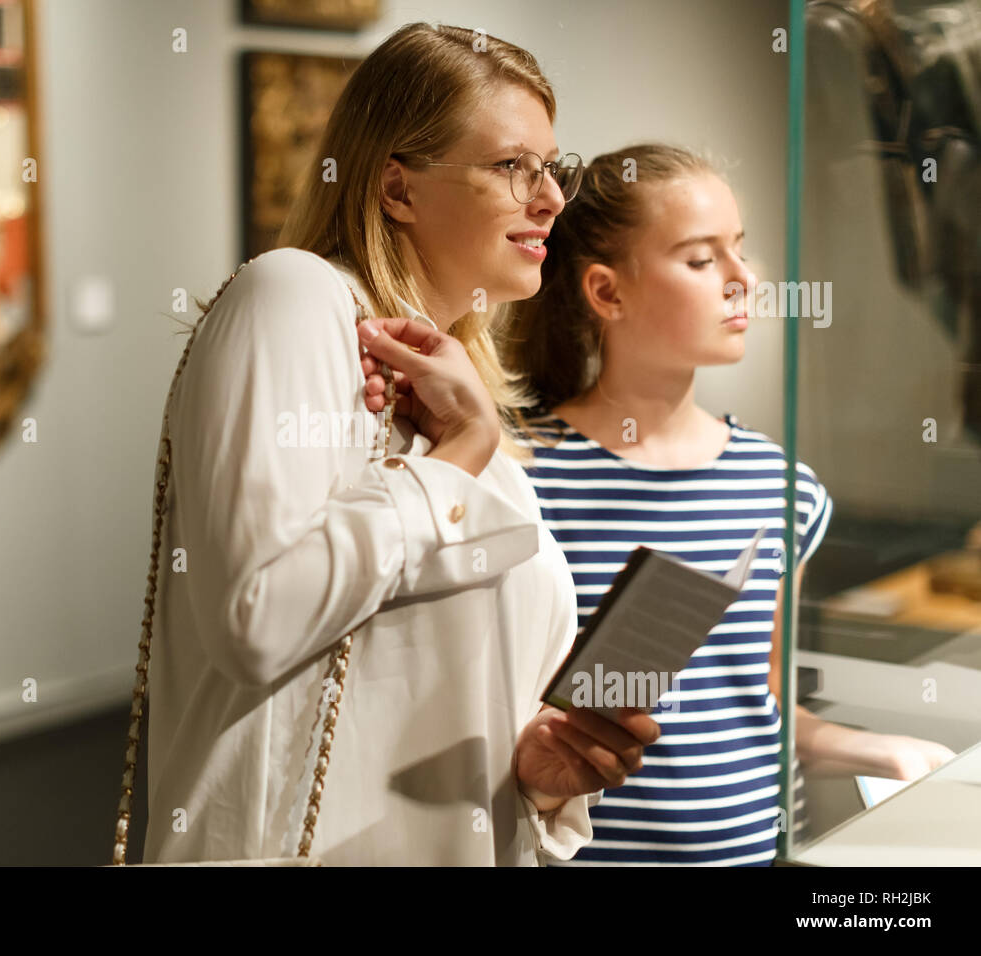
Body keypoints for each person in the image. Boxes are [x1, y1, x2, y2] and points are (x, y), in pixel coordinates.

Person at [142, 23, 659, 867]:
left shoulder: (461, 399)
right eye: (511, 167)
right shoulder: (295, 296)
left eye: (552, 167)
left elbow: (435, 693)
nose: (552, 200)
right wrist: (455, 460)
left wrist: (536, 764)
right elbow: (254, 620)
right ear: (397, 188)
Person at [499, 143, 956, 864]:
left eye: (740, 250)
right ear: (607, 293)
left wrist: (873, 747)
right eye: (702, 259)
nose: (745, 281)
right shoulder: (519, 478)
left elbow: (764, 698)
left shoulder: (780, 485)